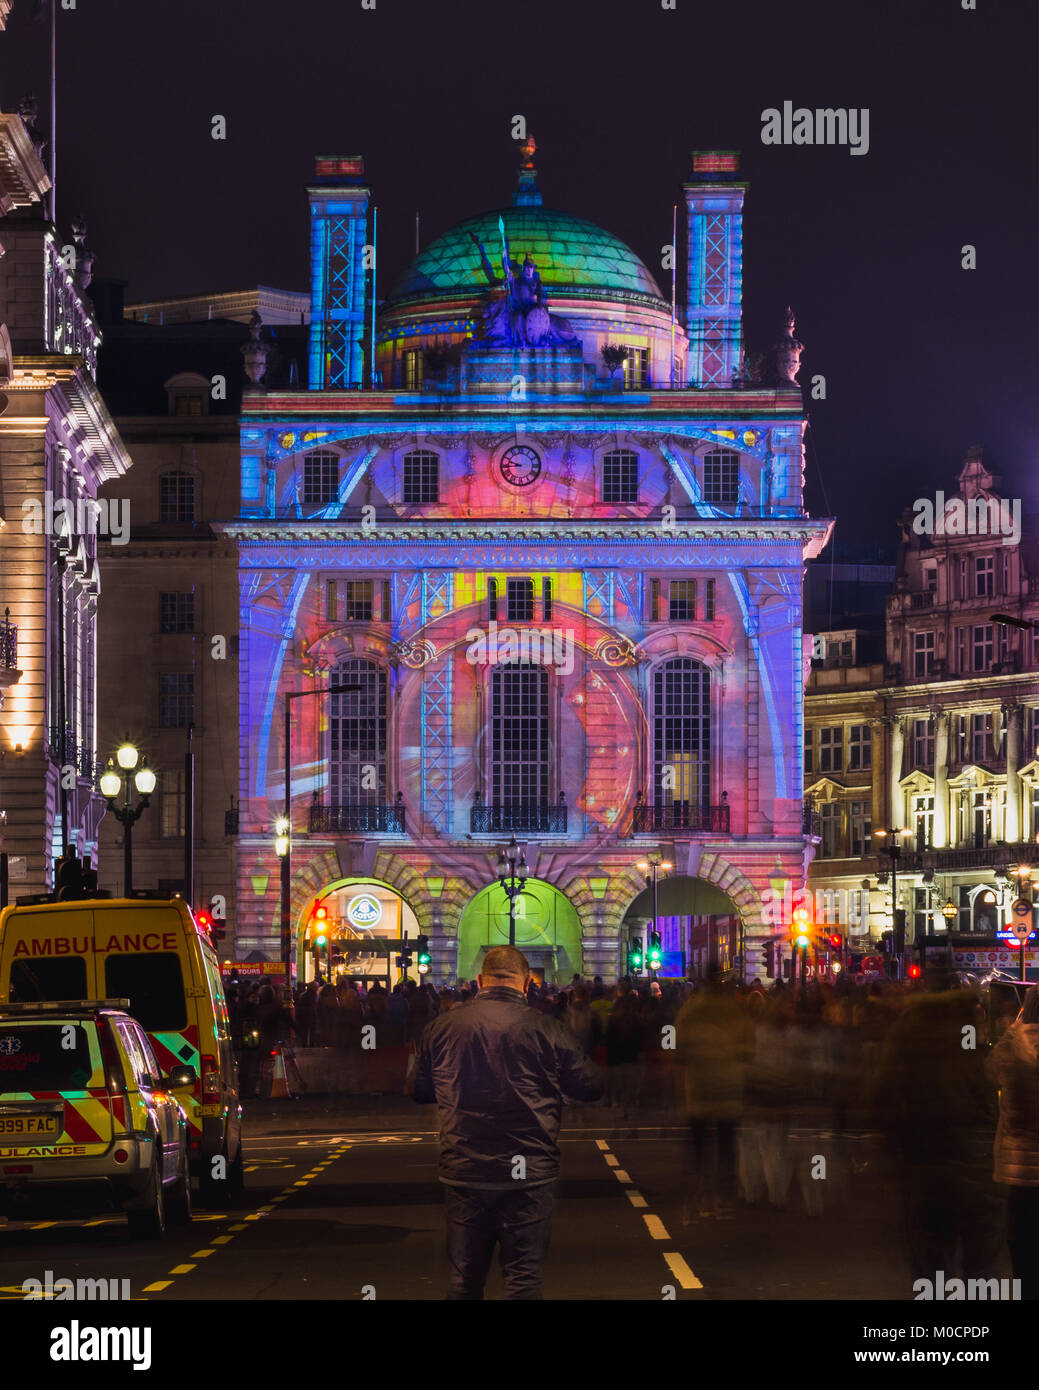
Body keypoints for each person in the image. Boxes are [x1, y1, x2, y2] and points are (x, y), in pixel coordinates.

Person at [409, 945, 604, 1299]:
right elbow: (590, 1086)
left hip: (465, 1166)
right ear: (527, 983)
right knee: (523, 1279)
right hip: (528, 1169)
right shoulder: (548, 1028)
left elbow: (419, 1090)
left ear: (480, 981)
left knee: (465, 1281)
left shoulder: (441, 1028)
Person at [987, 984, 1039, 1298]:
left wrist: (1017, 1027)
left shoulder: (1011, 1047)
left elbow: (990, 1070)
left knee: (1024, 1250)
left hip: (1021, 1171)